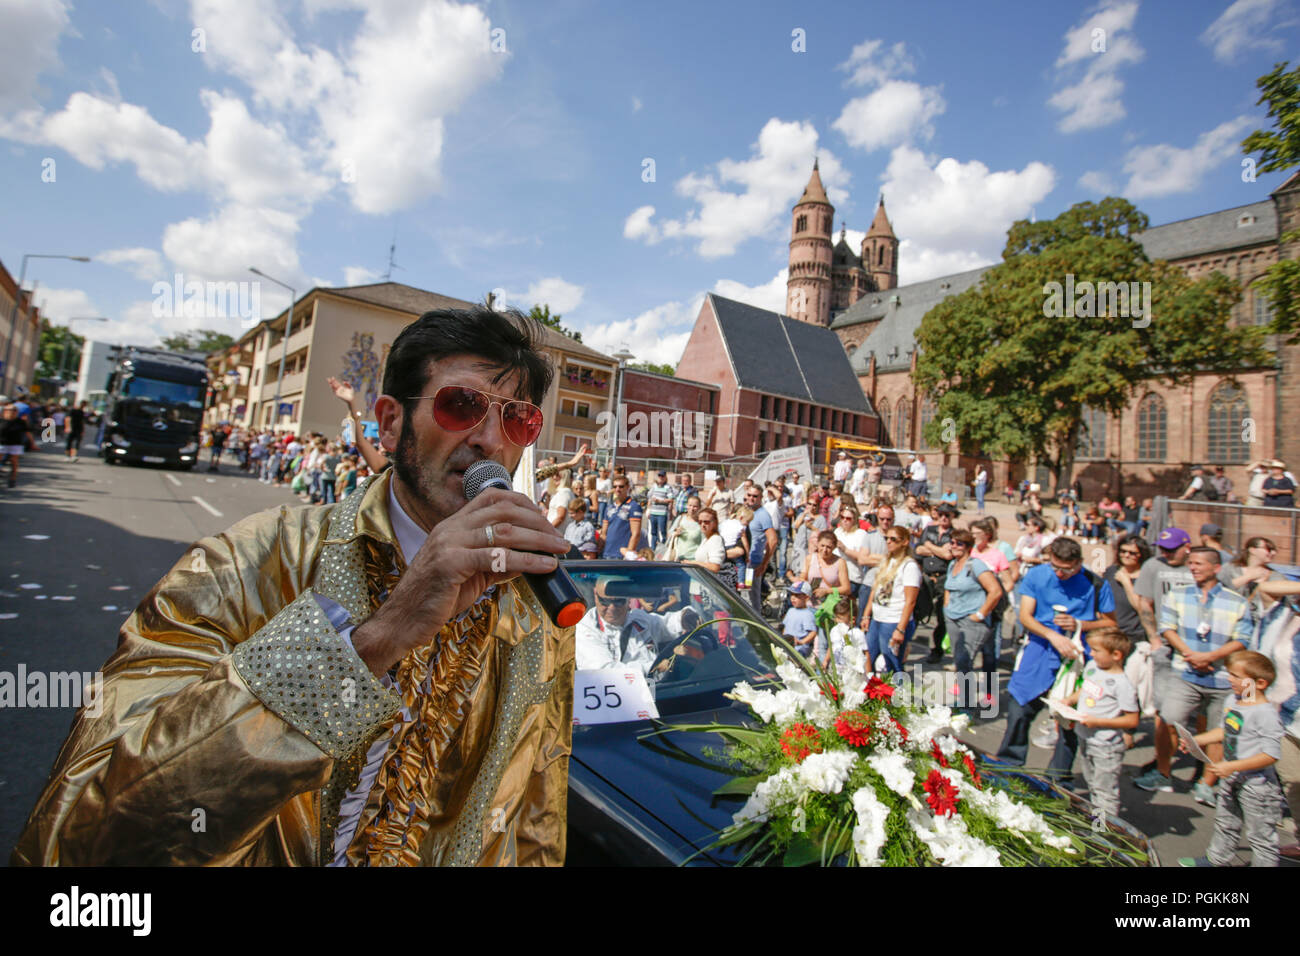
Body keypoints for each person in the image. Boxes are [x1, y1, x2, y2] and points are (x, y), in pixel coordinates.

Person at [14, 305, 576, 867]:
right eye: (462, 405)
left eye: (516, 420)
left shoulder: (537, 605)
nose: (487, 440)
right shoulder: (246, 561)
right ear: (390, 421)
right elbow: (93, 834)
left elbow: (536, 820)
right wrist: (374, 641)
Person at [995, 537, 1117, 773]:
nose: (1060, 573)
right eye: (1055, 567)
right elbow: (1026, 617)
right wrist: (1052, 635)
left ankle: (1059, 777)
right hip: (1040, 649)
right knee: (1019, 707)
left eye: (1066, 569)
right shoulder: (1038, 575)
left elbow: (1111, 623)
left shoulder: (1096, 584)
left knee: (1069, 720)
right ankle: (1008, 765)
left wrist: (1079, 624)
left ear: (1079, 563)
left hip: (1076, 656)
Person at [1141, 547, 1252, 805]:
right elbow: (1167, 628)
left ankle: (1207, 783)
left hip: (1222, 678)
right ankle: (1163, 772)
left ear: (1215, 568)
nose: (1193, 567)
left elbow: (1242, 640)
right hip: (1185, 672)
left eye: (1199, 563)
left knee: (1218, 730)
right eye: (1191, 563)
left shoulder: (1237, 602)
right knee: (1168, 720)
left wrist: (1210, 657)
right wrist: (1190, 654)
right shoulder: (1177, 596)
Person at [1178, 651, 1285, 867]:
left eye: (1236, 676)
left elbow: (1271, 755)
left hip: (1257, 787)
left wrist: (1232, 765)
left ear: (1260, 683)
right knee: (1225, 823)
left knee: (1261, 837)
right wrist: (1196, 740)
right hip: (1231, 777)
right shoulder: (1234, 701)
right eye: (1230, 674)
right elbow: (1225, 731)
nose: (1230, 680)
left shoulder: (1266, 714)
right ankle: (1216, 860)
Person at [1132, 527, 1198, 793]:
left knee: (1202, 715)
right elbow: (1144, 602)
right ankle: (1163, 769)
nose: (1166, 553)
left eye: (1172, 549)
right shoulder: (1153, 566)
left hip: (1199, 649)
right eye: (1162, 548)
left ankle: (1205, 773)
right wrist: (1154, 637)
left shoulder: (1199, 566)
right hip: (1168, 648)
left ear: (1188, 546)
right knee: (1165, 710)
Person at [1060, 628, 1139, 823]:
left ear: (1116, 655)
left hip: (1106, 744)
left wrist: (1098, 722)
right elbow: (1085, 689)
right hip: (1085, 736)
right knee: (1093, 784)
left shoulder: (1122, 685)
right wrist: (1070, 700)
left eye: (1096, 650)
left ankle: (1103, 831)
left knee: (1105, 791)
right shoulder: (1093, 667)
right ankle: (1095, 820)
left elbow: (1132, 719)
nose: (1091, 653)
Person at [942, 529, 1002, 710]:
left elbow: (995, 591)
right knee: (958, 661)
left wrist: (981, 614)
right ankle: (963, 701)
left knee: (964, 660)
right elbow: (948, 587)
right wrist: (946, 605)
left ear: (968, 546)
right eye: (952, 542)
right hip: (952, 617)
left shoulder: (976, 565)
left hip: (972, 619)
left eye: (959, 543)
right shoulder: (953, 564)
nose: (954, 546)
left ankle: (966, 706)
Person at [574, 575, 671, 678]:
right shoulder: (586, 629)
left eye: (618, 601)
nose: (611, 608)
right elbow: (603, 674)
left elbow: (670, 624)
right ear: (595, 596)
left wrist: (684, 617)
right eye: (604, 601)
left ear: (628, 599)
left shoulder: (640, 619)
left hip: (664, 689)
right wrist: (653, 667)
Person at [861, 527, 921, 675]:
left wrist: (900, 629)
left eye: (893, 539)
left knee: (891, 662)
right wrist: (866, 614)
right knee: (868, 655)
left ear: (905, 542)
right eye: (886, 538)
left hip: (894, 619)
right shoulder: (887, 561)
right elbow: (874, 590)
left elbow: (910, 601)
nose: (888, 542)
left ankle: (898, 695)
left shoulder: (909, 566)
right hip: (878, 617)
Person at [743, 485, 777, 614]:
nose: (751, 498)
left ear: (761, 498)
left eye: (755, 496)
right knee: (743, 598)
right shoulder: (746, 511)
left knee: (752, 600)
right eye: (749, 495)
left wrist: (764, 563)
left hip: (754, 563)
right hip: (743, 562)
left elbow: (773, 540)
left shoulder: (763, 515)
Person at [801, 530, 852, 608]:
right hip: (810, 605)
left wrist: (827, 591)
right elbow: (802, 578)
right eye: (822, 546)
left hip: (830, 606)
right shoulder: (810, 558)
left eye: (828, 547)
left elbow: (847, 589)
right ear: (817, 544)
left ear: (834, 547)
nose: (825, 550)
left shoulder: (840, 562)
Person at [601, 474, 642, 559]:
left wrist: (628, 555)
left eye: (621, 486)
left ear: (627, 487)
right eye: (615, 486)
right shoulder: (609, 507)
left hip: (621, 556)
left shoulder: (634, 506)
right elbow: (603, 533)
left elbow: (636, 534)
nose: (617, 489)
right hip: (607, 554)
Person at [0, 401, 34, 487]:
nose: (12, 411)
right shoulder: (1, 420)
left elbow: (28, 433)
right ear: (5, 411)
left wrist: (32, 443)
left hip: (15, 444)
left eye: (14, 410)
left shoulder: (20, 422)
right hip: (2, 443)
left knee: (14, 461)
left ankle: (12, 479)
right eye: (10, 410)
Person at [684, 507, 726, 577]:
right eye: (700, 522)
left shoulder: (716, 540)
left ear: (715, 523)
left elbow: (714, 567)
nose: (702, 525)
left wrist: (693, 563)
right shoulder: (705, 540)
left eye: (706, 522)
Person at [782, 580, 818, 658]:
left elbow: (813, 632)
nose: (793, 598)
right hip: (786, 646)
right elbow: (785, 627)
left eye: (797, 595)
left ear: (806, 598)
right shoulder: (790, 610)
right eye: (792, 595)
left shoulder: (808, 614)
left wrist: (801, 642)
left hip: (798, 650)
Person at [666, 494, 704, 562]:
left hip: (693, 560)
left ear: (699, 507)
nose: (692, 508)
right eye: (690, 505)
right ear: (687, 506)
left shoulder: (702, 523)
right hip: (677, 558)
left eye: (695, 506)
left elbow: (704, 542)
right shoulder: (681, 518)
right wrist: (675, 533)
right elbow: (669, 533)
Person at [645, 471, 674, 551]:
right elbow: (649, 498)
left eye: (662, 476)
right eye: (659, 476)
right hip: (653, 513)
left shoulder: (668, 487)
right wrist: (648, 510)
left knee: (662, 532)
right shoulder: (654, 486)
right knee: (653, 532)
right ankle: (653, 549)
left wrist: (659, 501)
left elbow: (671, 499)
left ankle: (662, 549)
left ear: (665, 477)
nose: (661, 478)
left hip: (662, 513)